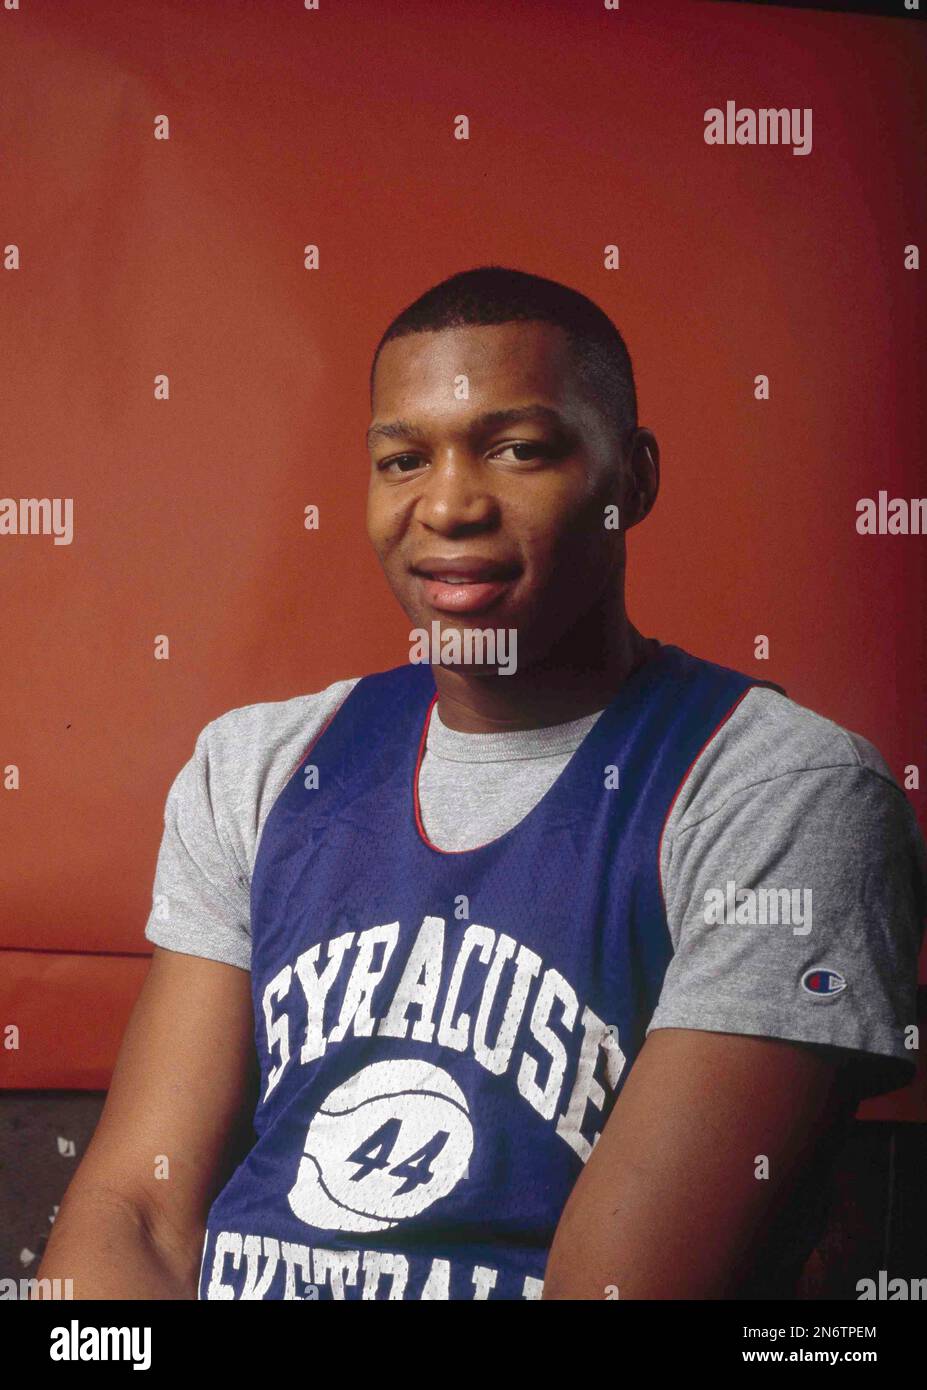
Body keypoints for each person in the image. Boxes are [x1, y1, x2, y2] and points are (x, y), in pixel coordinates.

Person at [39, 266, 926, 1301]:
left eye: (516, 449)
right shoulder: (260, 766)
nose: (450, 504)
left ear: (631, 479)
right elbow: (137, 1219)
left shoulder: (781, 793)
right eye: (403, 457)